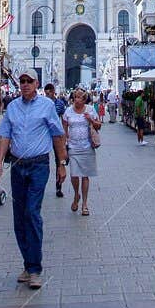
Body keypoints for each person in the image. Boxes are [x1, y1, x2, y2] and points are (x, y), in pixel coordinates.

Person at [0, 70, 67, 289]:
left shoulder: (47, 106)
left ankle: (35, 268)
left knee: (32, 213)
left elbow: (58, 134)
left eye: (29, 81)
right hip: (17, 166)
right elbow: (5, 136)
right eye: (22, 81)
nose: (25, 84)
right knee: (19, 217)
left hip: (39, 165)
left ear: (37, 83)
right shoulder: (13, 107)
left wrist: (61, 165)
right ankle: (28, 264)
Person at [64, 87, 101, 216]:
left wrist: (90, 119)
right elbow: (64, 131)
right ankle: (76, 195)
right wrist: (64, 147)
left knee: (85, 175)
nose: (77, 99)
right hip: (73, 147)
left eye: (80, 97)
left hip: (87, 147)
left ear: (84, 99)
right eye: (76, 97)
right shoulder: (68, 111)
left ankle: (85, 204)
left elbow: (99, 126)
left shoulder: (90, 110)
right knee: (74, 175)